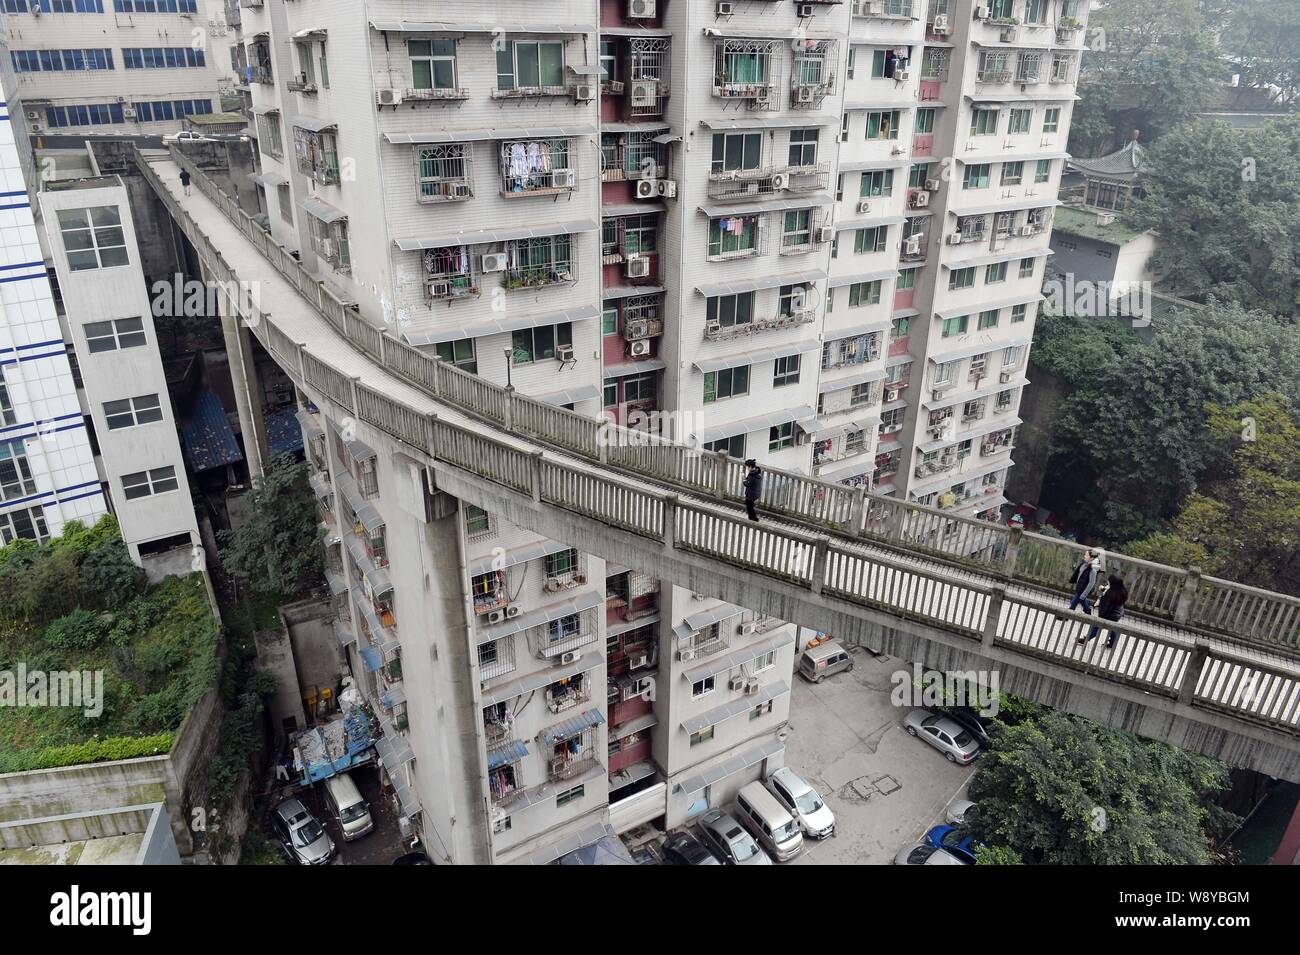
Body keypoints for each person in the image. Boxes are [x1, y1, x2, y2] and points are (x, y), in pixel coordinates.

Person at [1079, 574, 1128, 648]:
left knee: (1096, 626)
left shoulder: (1110, 593)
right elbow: (1108, 591)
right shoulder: (1121, 591)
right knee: (1112, 628)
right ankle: (1112, 643)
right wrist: (1103, 590)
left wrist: (1101, 615)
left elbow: (1107, 606)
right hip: (1116, 614)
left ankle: (1086, 639)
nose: (1108, 583)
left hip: (1108, 614)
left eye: (1109, 582)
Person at [1067, 549, 1103, 615]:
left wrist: (1084, 593)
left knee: (1074, 603)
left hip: (1083, 589)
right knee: (1082, 600)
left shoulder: (1093, 569)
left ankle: (1066, 615)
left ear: (1091, 558)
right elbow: (1079, 573)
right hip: (1080, 586)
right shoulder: (1084, 564)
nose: (1084, 556)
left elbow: (1091, 583)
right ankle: (1088, 611)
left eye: (1086, 555)